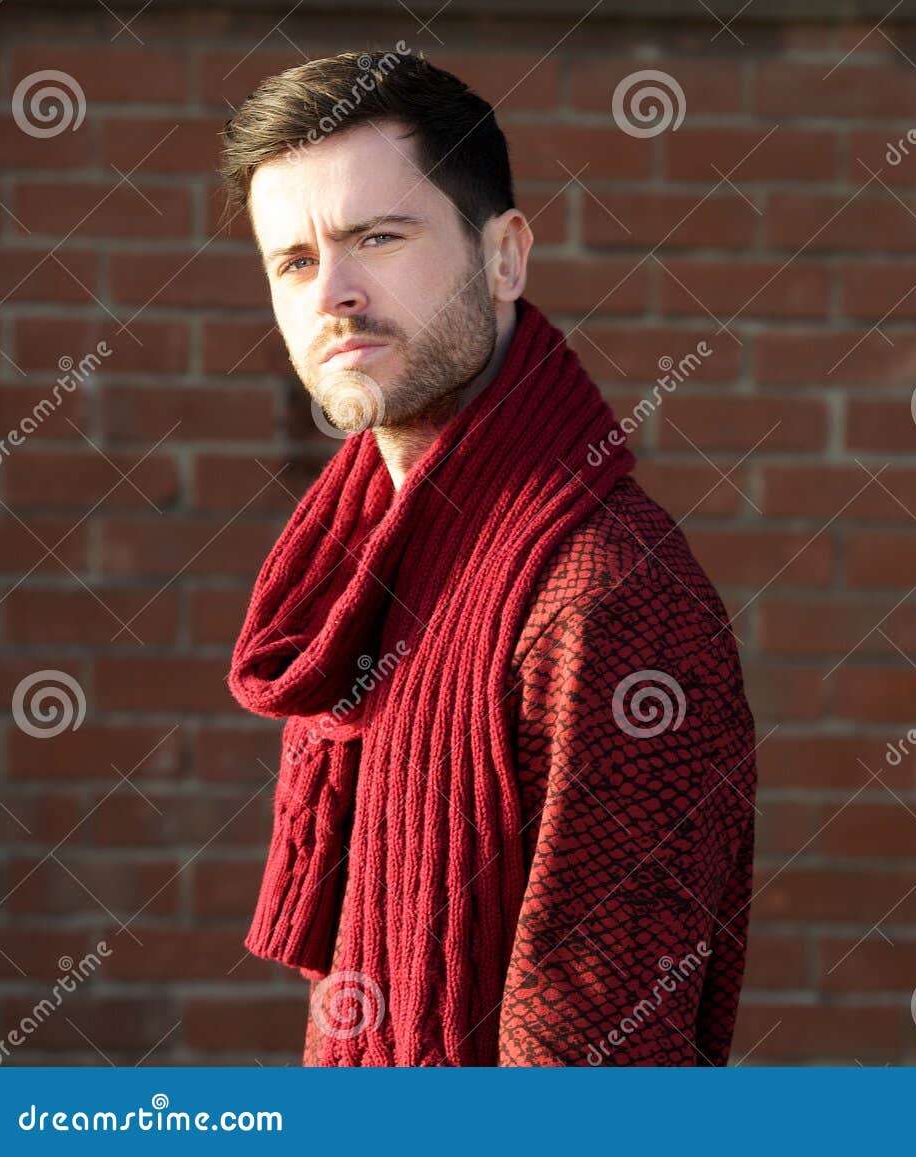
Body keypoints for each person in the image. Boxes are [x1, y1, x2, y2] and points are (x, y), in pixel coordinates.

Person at [216, 48, 758, 1066]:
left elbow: (598, 1060)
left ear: (504, 257)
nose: (331, 290)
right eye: (293, 260)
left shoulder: (607, 597)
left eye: (378, 236)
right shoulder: (359, 581)